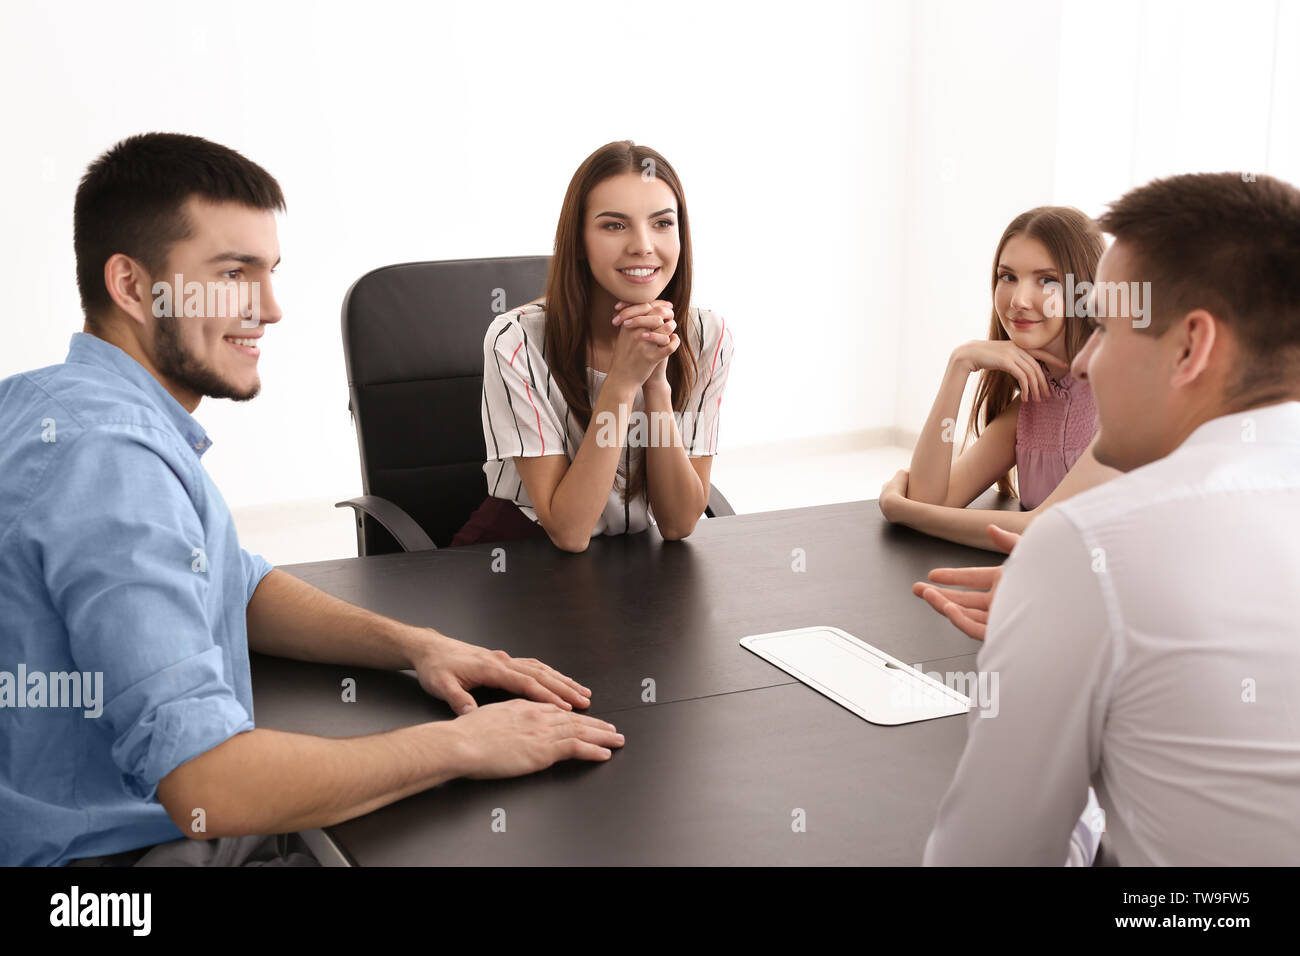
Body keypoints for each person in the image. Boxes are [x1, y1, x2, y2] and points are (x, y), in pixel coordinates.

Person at [0, 133, 623, 868]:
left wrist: (417, 646)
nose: (269, 308)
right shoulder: (111, 462)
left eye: (269, 273)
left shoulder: (54, 404)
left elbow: (235, 585)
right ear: (133, 287)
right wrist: (460, 744)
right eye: (234, 273)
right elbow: (210, 784)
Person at [915, 171, 1300, 865]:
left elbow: (987, 857)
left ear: (1191, 347)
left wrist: (1058, 590)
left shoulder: (1087, 549)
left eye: (1111, 329)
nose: (1087, 361)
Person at [452, 141, 735, 551]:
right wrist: (622, 383)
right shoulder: (515, 341)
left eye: (662, 223)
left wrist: (656, 385)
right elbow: (569, 531)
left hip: (632, 564)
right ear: (579, 242)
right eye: (614, 225)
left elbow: (676, 523)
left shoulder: (706, 336)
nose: (642, 245)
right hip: (520, 558)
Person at [878, 207, 1120, 550]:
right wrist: (959, 364)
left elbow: (1046, 529)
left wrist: (900, 508)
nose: (1019, 301)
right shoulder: (1032, 404)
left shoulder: (1123, 403)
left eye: (1047, 280)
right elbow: (929, 497)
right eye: (1007, 276)